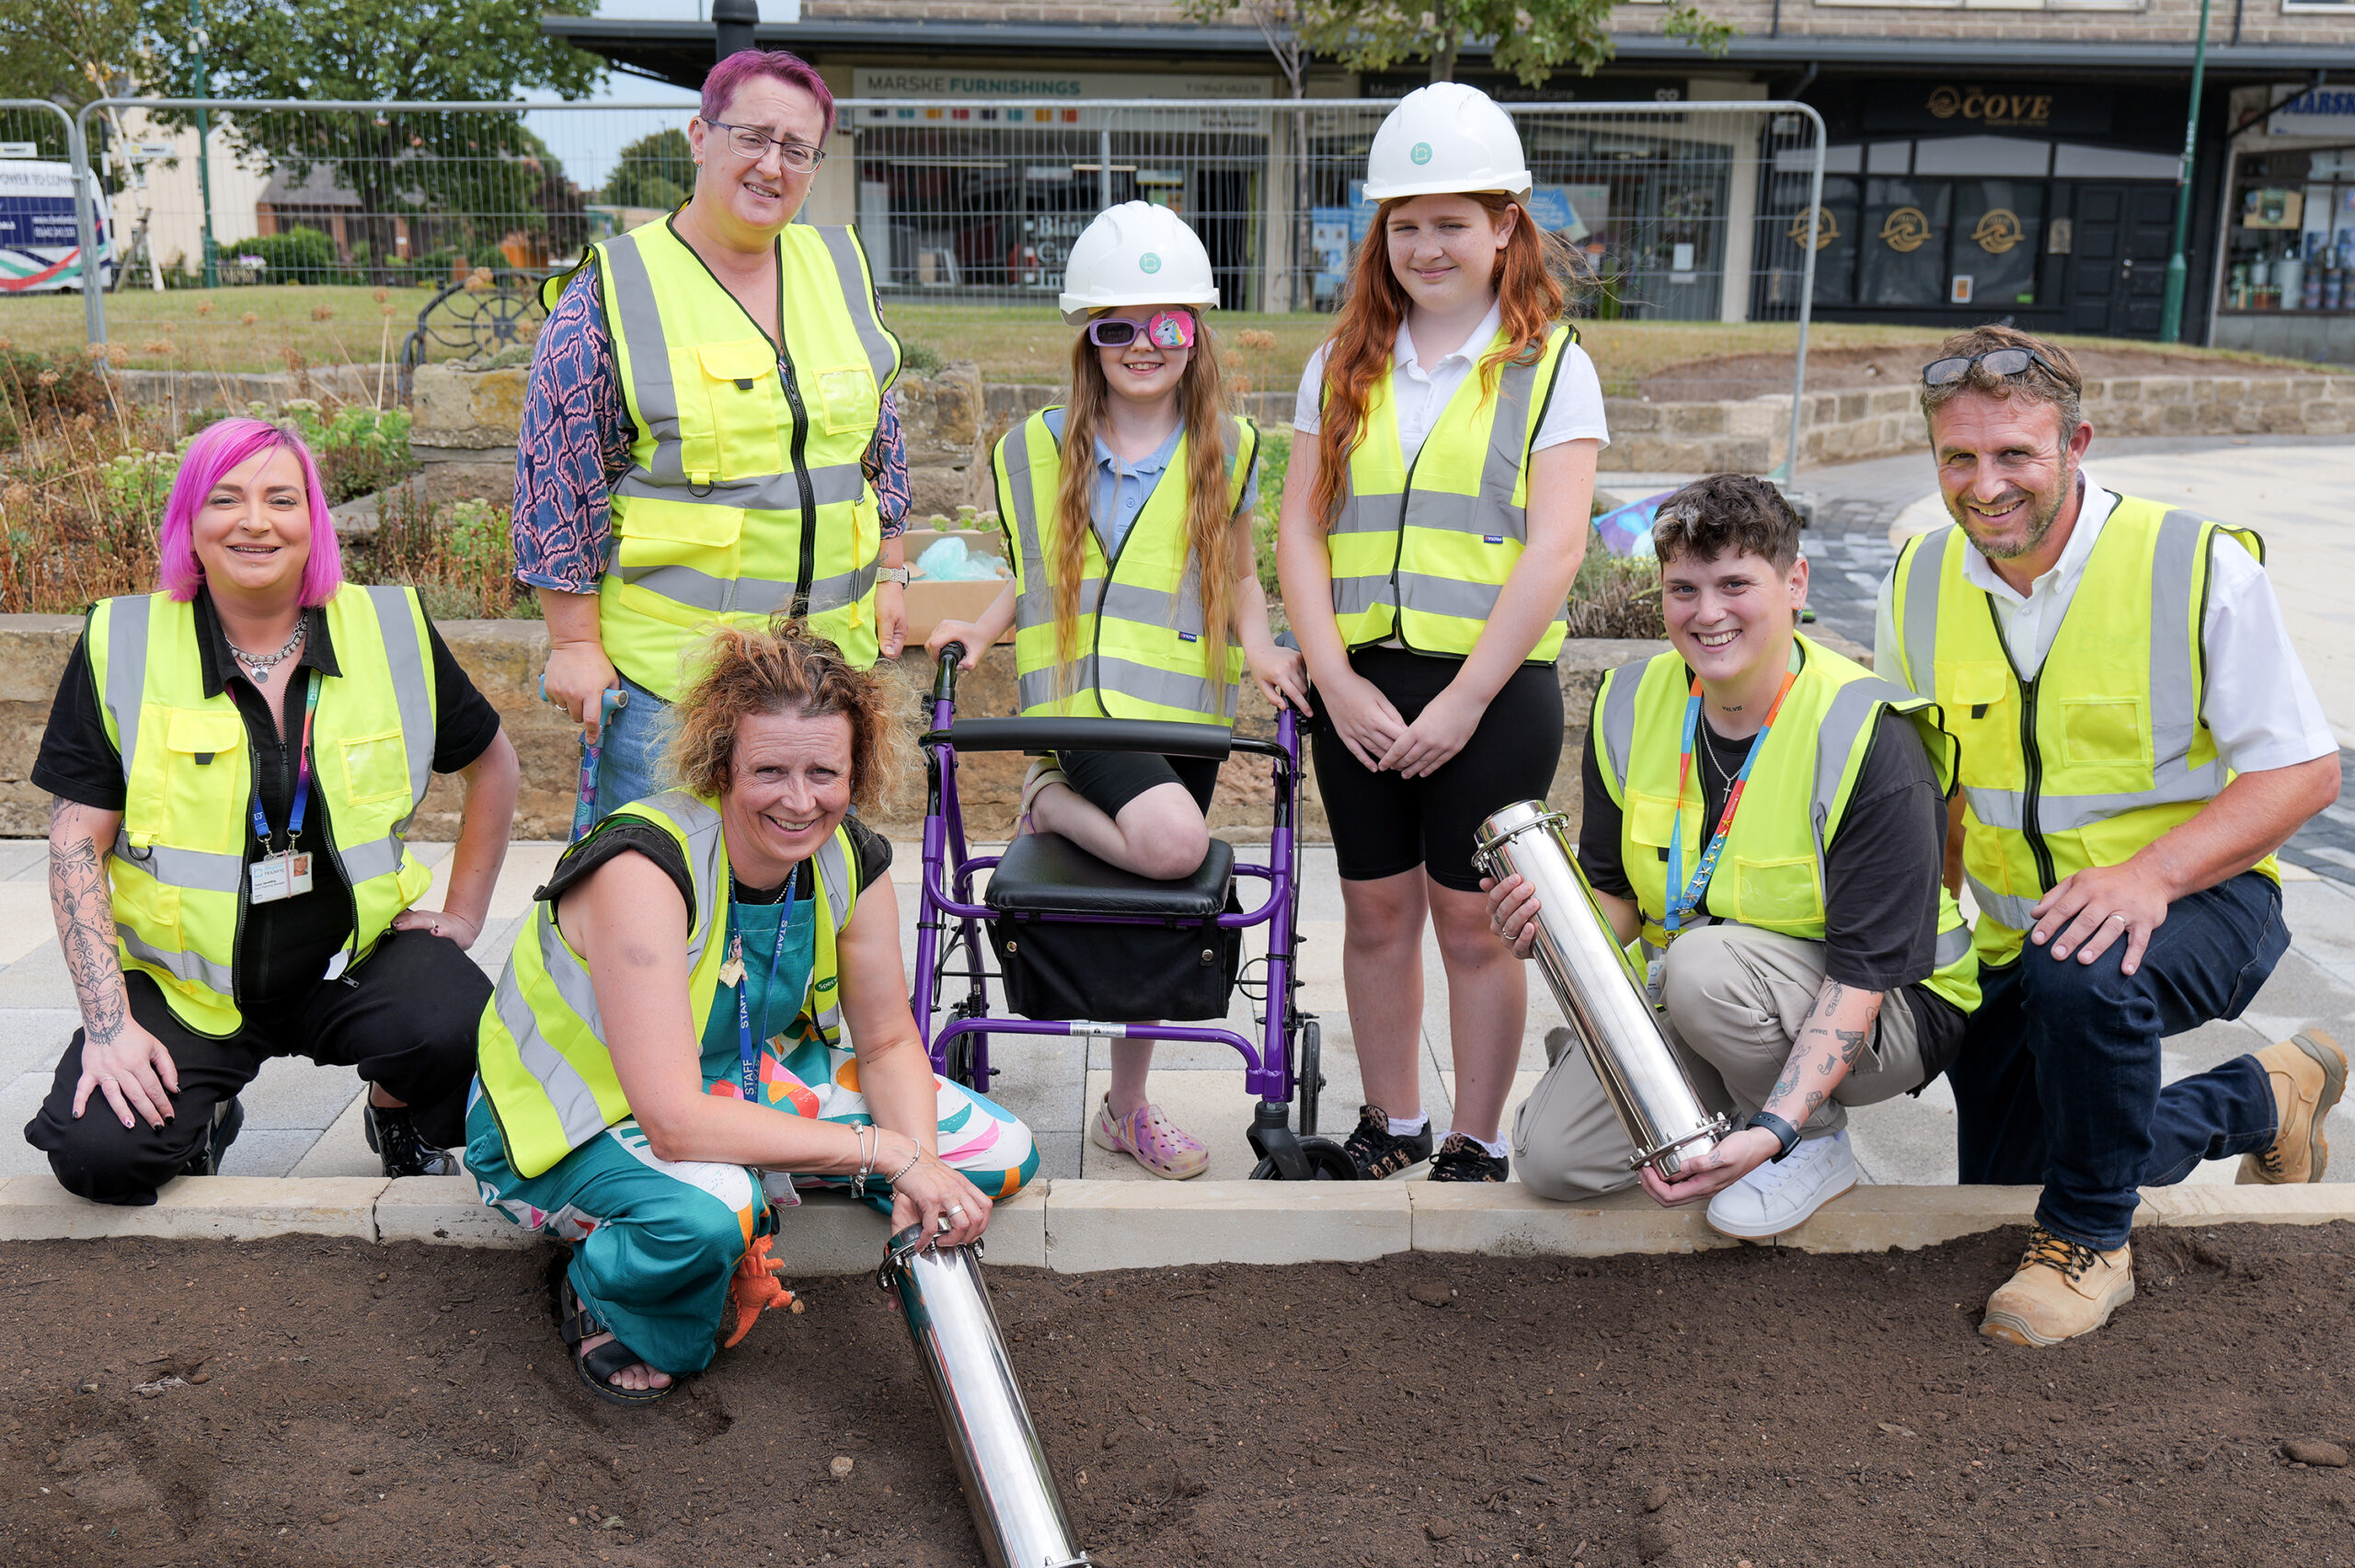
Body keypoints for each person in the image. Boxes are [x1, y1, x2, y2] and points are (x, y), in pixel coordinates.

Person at [1876, 324, 2343, 1346]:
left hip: (2202, 900)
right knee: (2006, 1192)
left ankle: (2093, 1243)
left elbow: (2305, 769)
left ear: (2076, 443)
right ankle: (2260, 1097)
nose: (1983, 485)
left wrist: (2146, 875)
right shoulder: (1916, 578)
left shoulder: (2193, 563)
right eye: (1959, 456)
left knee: (2081, 977)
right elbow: (1932, 782)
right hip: (2013, 933)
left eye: (2014, 455)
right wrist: (1922, 935)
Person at [467, 618, 1039, 1402]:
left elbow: (887, 1041)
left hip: (733, 1079)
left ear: (856, 769)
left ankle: (758, 1182)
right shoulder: (645, 866)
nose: (800, 801)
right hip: (568, 1120)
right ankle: (607, 1286)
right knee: (711, 1210)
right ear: (722, 765)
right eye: (769, 770)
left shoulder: (849, 857)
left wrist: (920, 1167)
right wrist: (883, 1152)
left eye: (824, 773)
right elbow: (670, 1116)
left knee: (996, 1151)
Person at [25, 417, 520, 1202]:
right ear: (189, 523)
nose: (254, 520)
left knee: (465, 1031)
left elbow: (493, 764)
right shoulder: (123, 641)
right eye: (225, 498)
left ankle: (394, 1108)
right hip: (188, 985)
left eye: (281, 499)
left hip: (350, 962)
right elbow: (74, 843)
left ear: (313, 522)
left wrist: (462, 916)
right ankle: (209, 1112)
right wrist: (111, 1029)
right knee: (99, 1156)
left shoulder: (388, 627)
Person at [1485, 475, 1980, 1238]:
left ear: (1795, 583)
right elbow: (1618, 896)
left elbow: (1862, 973)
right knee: (1556, 1161)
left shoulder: (1867, 732)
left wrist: (1779, 1129)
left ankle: (1813, 1147)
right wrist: (1550, 927)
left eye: (1734, 584)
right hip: (1723, 996)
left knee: (1700, 969)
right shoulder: (1630, 701)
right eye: (1683, 587)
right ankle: (1720, 1096)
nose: (1707, 613)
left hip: (1893, 1008)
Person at [925, 202, 1306, 1180]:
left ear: (1197, 333)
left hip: (1183, 714)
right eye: (1117, 327)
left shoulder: (1232, 446)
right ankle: (1044, 799)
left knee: (1160, 901)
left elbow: (1243, 575)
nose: (1145, 345)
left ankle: (1126, 1108)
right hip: (1075, 711)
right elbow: (1025, 572)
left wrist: (1263, 653)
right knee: (1177, 846)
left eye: (1169, 324)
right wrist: (979, 623)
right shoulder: (1030, 450)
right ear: (1087, 339)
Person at [1274, 83, 1605, 1183]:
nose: (1426, 245)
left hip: (1493, 694)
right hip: (1358, 687)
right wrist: (1329, 673)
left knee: (1473, 926)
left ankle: (1477, 1134)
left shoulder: (1554, 366)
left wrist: (1461, 700)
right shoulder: (1341, 365)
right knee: (1372, 915)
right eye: (1404, 224)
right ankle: (1393, 1121)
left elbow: (1553, 551)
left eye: (1451, 222)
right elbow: (1301, 531)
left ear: (1505, 224)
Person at [518, 47, 910, 822]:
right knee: (655, 910)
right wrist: (572, 644)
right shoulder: (616, 289)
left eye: (798, 149)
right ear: (700, 136)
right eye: (753, 137)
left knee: (802, 917)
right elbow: (558, 476)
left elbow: (875, 433)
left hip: (825, 681)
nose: (773, 165)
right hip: (675, 686)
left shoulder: (838, 268)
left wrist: (894, 569)